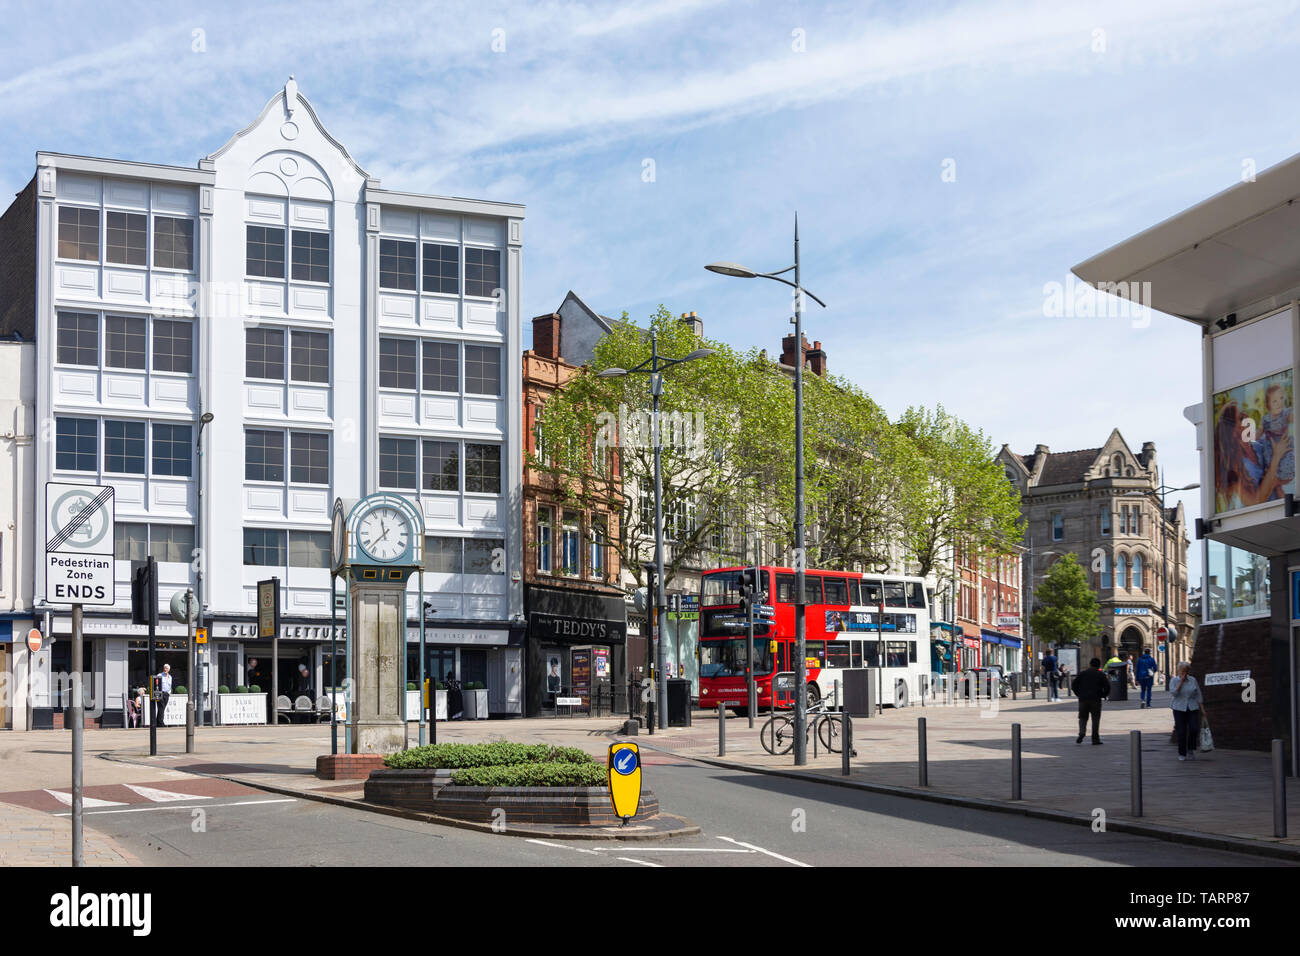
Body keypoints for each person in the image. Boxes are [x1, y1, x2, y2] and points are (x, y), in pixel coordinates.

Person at [1170, 662, 1205, 761]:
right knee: (1181, 731)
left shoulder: (1192, 680)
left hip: (1192, 707)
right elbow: (1174, 693)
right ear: (1179, 671)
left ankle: (1191, 749)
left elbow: (1198, 693)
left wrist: (1202, 708)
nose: (1184, 673)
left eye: (1186, 671)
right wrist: (1180, 682)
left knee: (1194, 728)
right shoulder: (1174, 680)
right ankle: (1182, 753)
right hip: (1178, 708)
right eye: (1182, 671)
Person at [1072, 657, 1111, 744]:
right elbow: (1107, 687)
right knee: (1095, 719)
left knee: (1082, 717)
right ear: (1099, 665)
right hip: (1096, 699)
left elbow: (1074, 684)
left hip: (1083, 699)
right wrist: (1103, 695)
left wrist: (1079, 694)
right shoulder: (1100, 674)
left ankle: (1082, 733)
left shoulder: (1083, 673)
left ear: (1090, 664)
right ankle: (1095, 738)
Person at [155, 663, 173, 727]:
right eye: (165, 668)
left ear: (169, 669)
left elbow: (170, 686)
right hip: (160, 693)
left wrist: (169, 693)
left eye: (167, 668)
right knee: (161, 707)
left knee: (162, 708)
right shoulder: (159, 675)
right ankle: (160, 722)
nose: (165, 669)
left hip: (166, 694)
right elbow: (156, 684)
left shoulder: (170, 677)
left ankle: (158, 722)